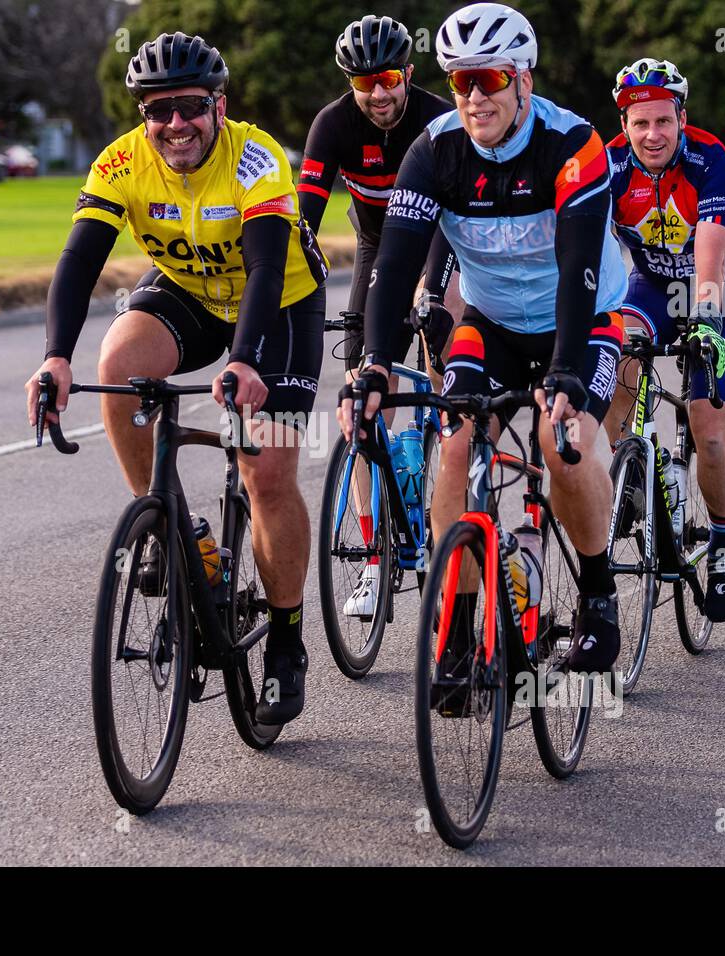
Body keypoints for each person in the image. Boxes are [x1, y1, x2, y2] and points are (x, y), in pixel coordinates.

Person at [25, 33, 328, 723]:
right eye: (158, 110)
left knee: (267, 468)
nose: (175, 124)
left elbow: (263, 268)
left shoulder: (255, 159)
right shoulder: (122, 161)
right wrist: (54, 356)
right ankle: (173, 528)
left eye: (190, 106)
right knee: (117, 365)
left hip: (276, 304)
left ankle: (284, 640)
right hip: (190, 291)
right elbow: (80, 259)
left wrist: (244, 359)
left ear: (218, 105)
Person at [338, 3, 630, 676]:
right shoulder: (434, 150)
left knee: (567, 445)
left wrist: (562, 375)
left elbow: (580, 268)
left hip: (580, 319)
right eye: (460, 80)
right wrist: (376, 364)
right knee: (456, 447)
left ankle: (597, 594)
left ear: (524, 79)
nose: (474, 96)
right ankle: (463, 632)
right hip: (492, 324)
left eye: (490, 79)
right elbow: (395, 266)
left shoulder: (573, 144)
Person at [300, 14, 463, 617]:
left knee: (446, 363)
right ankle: (374, 557)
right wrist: (294, 290)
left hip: (441, 242)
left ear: (409, 74)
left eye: (389, 78)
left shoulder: (435, 119)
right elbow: (304, 226)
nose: (378, 93)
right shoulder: (331, 125)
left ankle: (453, 510)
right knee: (361, 396)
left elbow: (448, 222)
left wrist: (430, 291)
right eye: (363, 82)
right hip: (376, 249)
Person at [604, 57, 725, 622]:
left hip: (721, 288)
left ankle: (722, 543)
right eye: (640, 123)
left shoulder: (708, 158)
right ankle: (632, 472)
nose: (653, 135)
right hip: (651, 284)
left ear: (681, 119)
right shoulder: (610, 167)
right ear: (624, 125)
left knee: (708, 428)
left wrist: (708, 316)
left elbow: (713, 241)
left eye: (663, 121)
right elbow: (587, 248)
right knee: (615, 356)